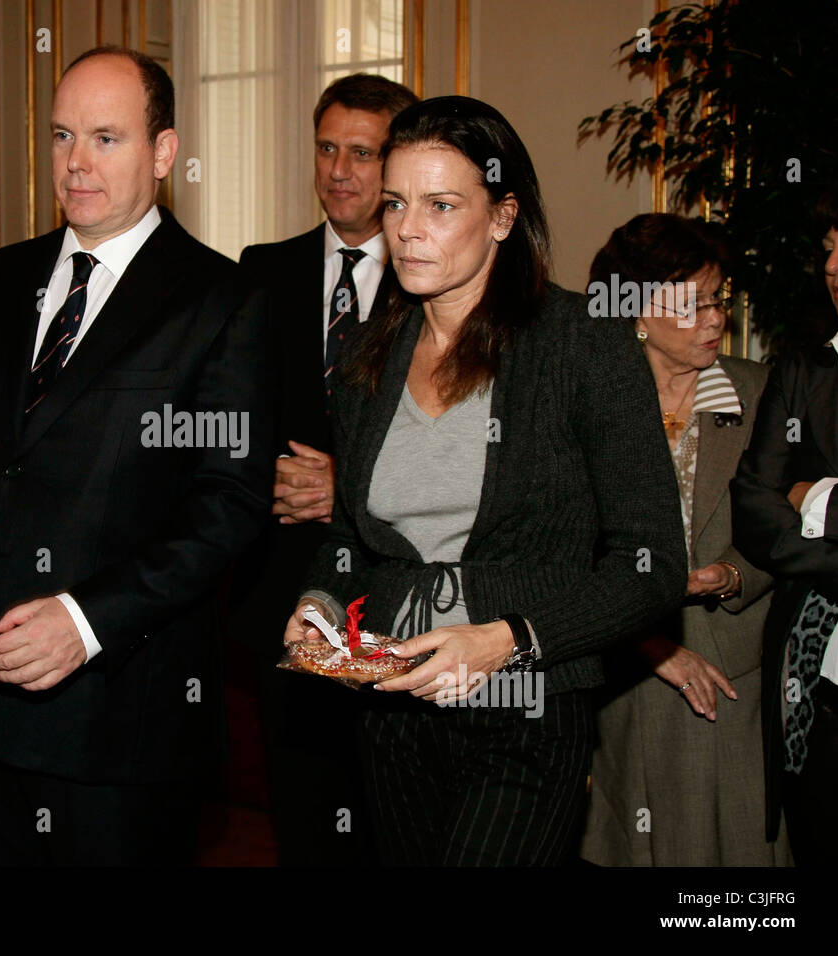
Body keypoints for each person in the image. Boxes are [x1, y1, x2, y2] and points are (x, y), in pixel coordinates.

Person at [0, 46, 275, 865]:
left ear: (163, 152)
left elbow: (226, 506)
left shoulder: (223, 300)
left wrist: (87, 621)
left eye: (105, 138)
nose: (76, 163)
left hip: (120, 718)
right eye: (60, 136)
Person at [283, 96, 687, 866]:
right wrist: (319, 602)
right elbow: (350, 536)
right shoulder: (373, 353)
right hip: (392, 704)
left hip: (527, 704)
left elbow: (652, 566)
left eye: (441, 205)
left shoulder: (584, 345)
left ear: (502, 217)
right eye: (396, 202)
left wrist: (510, 642)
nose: (406, 228)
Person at [235, 72, 415, 866]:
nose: (340, 170)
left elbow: (476, 448)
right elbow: (229, 422)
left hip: (395, 586)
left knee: (391, 803)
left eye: (364, 154)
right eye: (327, 148)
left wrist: (349, 486)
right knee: (302, 805)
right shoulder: (260, 271)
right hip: (279, 586)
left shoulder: (432, 284)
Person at [579, 214, 791, 866]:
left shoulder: (759, 393)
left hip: (737, 680)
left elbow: (786, 525)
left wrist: (730, 575)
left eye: (718, 298)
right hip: (624, 679)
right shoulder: (588, 399)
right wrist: (651, 646)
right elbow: (562, 544)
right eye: (692, 302)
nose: (713, 318)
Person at [731, 178, 838, 865]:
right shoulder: (805, 370)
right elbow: (753, 508)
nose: (835, 265)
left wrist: (818, 498)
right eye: (829, 246)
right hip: (820, 698)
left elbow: (785, 502)